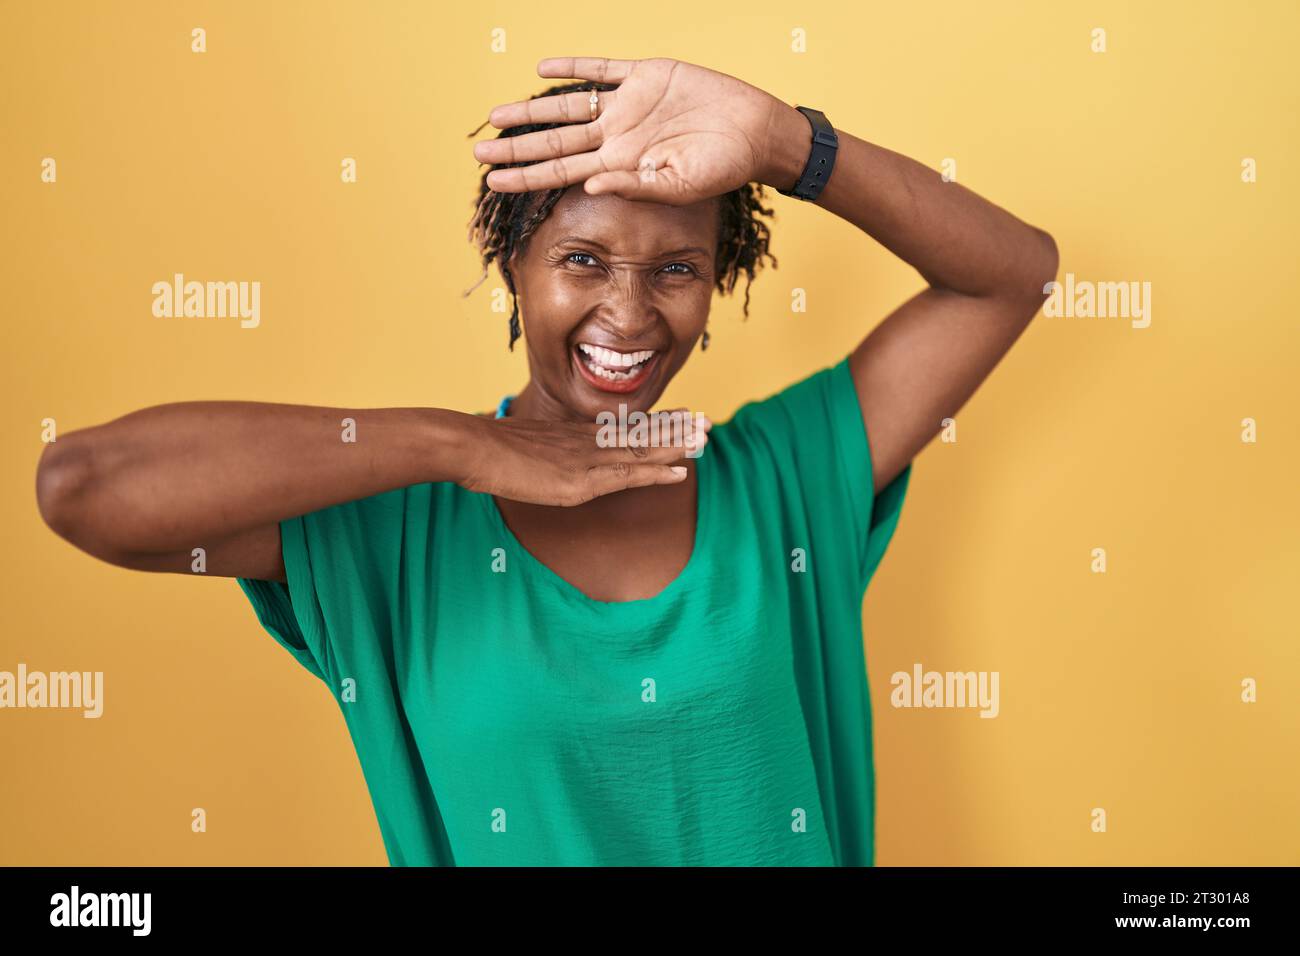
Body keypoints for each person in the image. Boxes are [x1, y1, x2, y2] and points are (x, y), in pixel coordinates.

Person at [35, 55, 1057, 866]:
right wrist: (465, 443)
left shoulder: (780, 481)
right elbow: (83, 486)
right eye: (580, 260)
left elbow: (1010, 276)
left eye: (675, 270)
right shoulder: (399, 523)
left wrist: (786, 143)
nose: (628, 311)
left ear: (718, 283)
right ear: (510, 264)